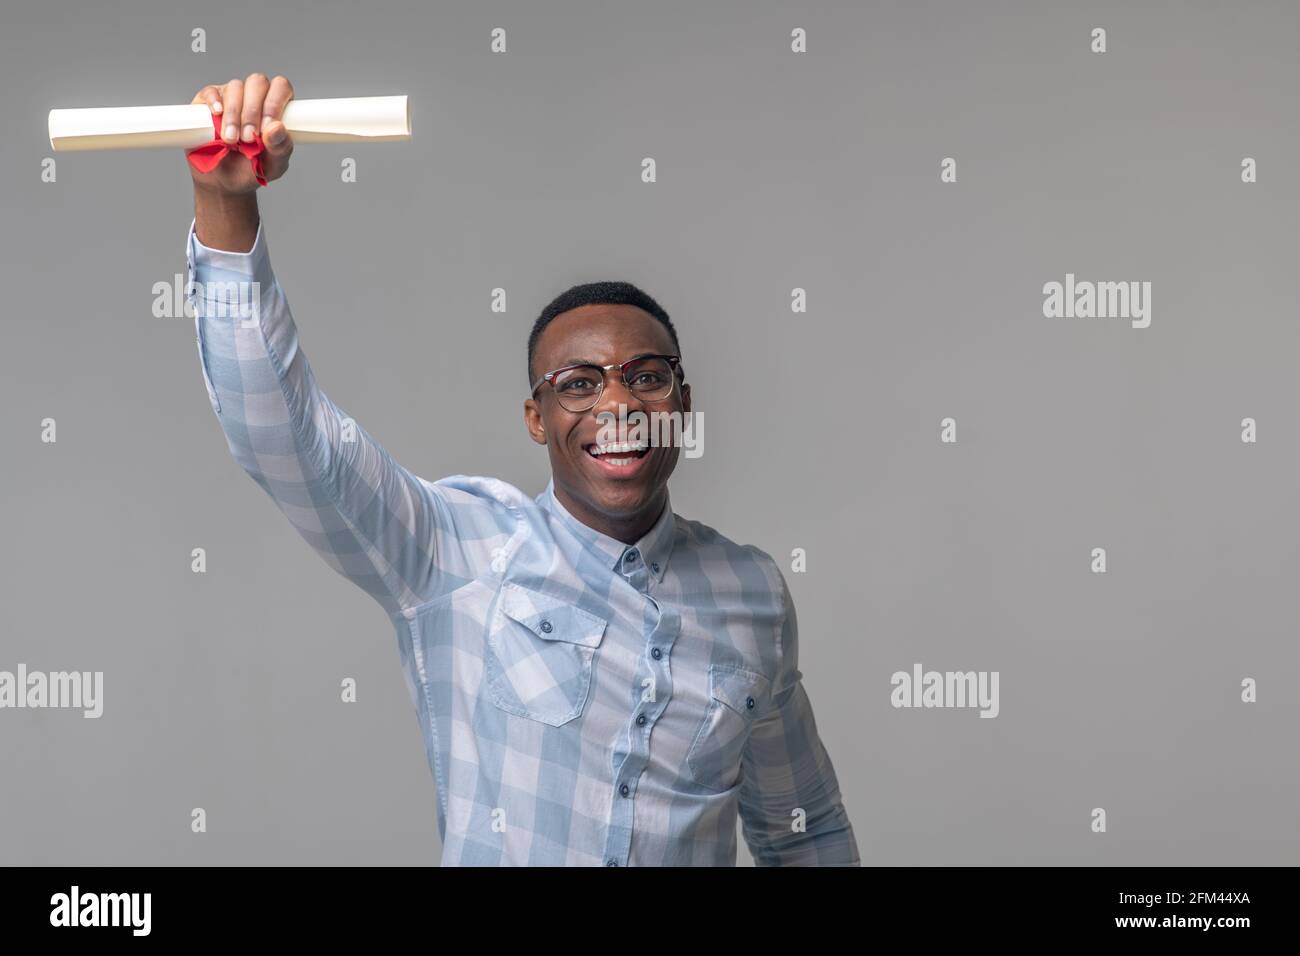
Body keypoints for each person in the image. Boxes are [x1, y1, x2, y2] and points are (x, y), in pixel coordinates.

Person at [184, 73, 859, 866]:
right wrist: (227, 208)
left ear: (682, 398)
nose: (618, 405)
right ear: (537, 417)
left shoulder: (753, 593)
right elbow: (282, 438)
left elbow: (802, 829)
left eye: (645, 375)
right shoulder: (455, 552)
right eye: (578, 384)